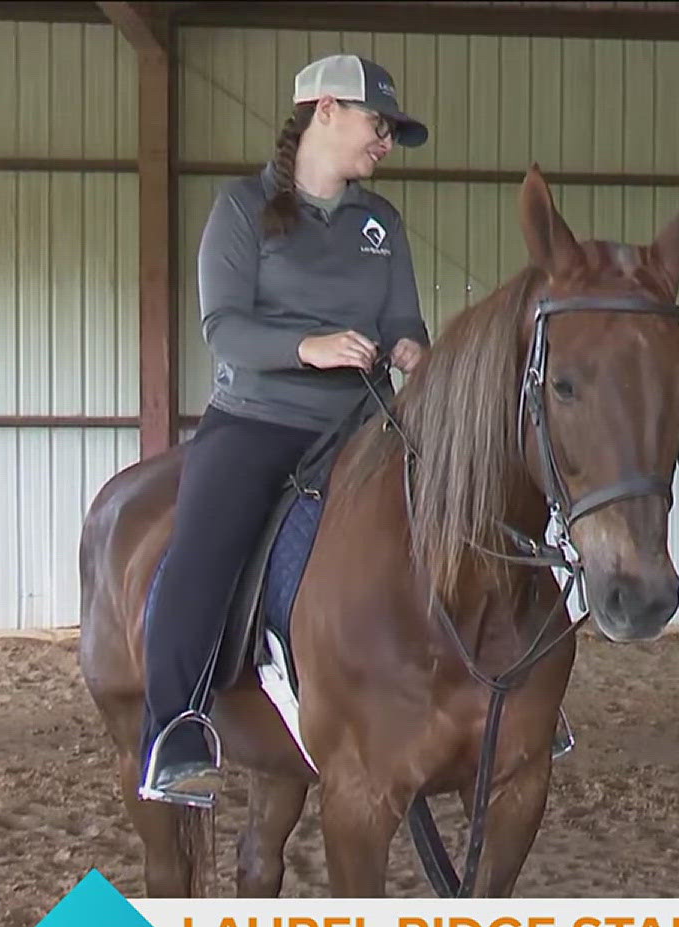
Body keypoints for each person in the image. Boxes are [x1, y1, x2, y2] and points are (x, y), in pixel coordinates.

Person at [138, 54, 431, 806]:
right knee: (203, 549)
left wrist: (410, 348)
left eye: (392, 132)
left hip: (364, 427)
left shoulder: (380, 223)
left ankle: (508, 694)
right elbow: (223, 329)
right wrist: (312, 347)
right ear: (325, 111)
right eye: (379, 125)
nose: (386, 143)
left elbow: (402, 319)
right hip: (260, 423)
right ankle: (174, 730)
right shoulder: (241, 209)